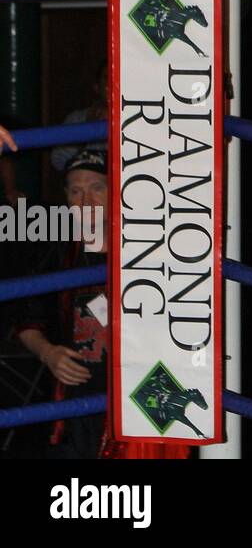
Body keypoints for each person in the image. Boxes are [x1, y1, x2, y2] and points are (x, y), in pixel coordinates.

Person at [15, 149, 190, 458]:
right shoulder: (56, 252)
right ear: (66, 198)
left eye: (97, 187)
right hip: (77, 396)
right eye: (76, 191)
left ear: (117, 191)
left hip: (147, 389)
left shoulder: (151, 246)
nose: (86, 200)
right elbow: (26, 320)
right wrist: (49, 353)